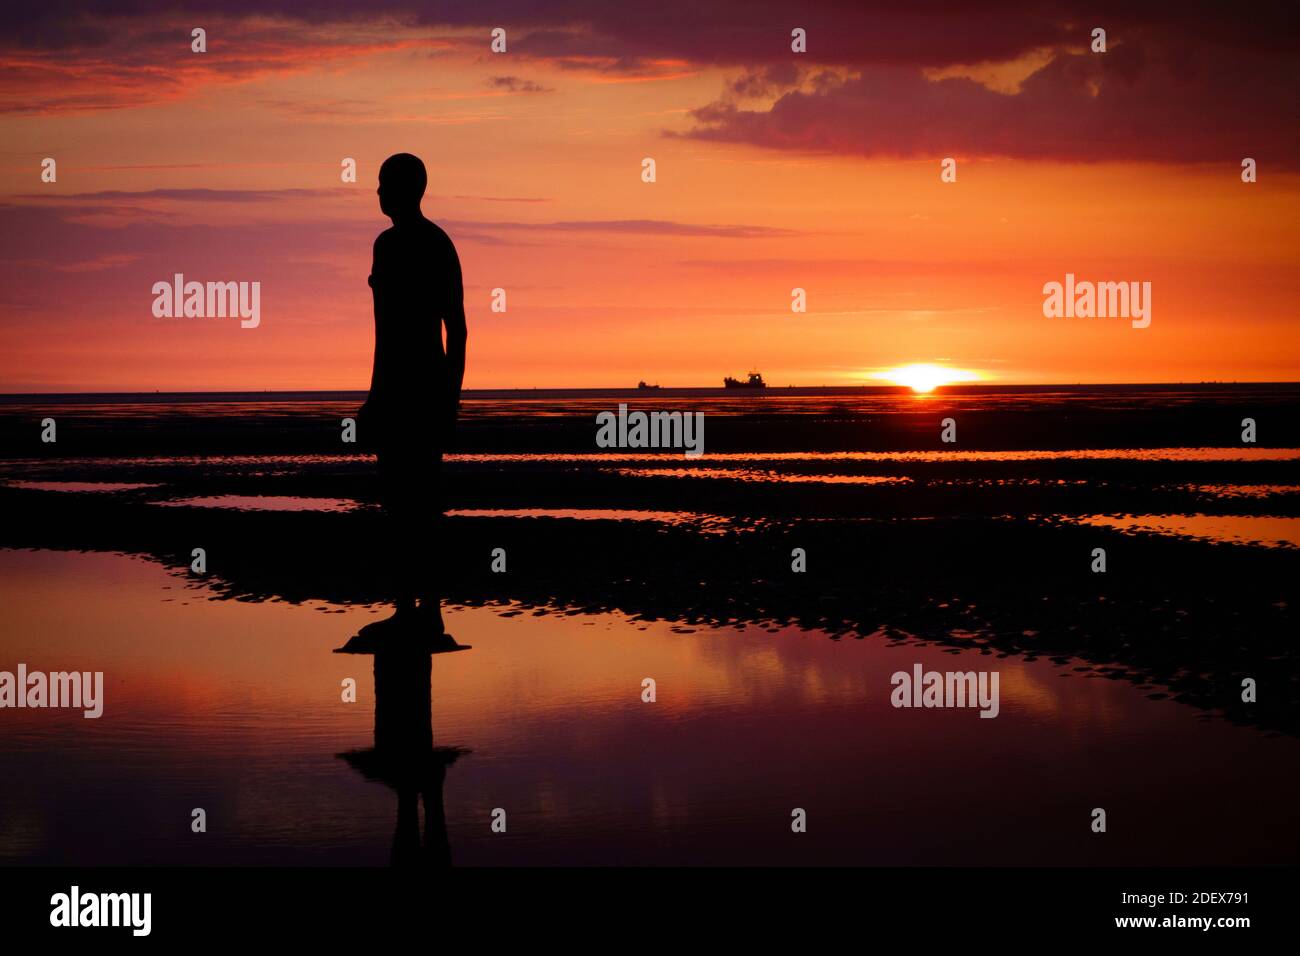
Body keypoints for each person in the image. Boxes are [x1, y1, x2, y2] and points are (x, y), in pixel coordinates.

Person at [358, 152, 466, 637]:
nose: (378, 192)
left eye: (384, 184)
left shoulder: (436, 245)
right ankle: (408, 606)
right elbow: (384, 333)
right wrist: (374, 395)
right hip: (394, 389)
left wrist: (450, 400)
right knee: (399, 502)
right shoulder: (384, 246)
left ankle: (430, 608)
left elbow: (457, 330)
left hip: (423, 388)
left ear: (407, 189)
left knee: (420, 501)